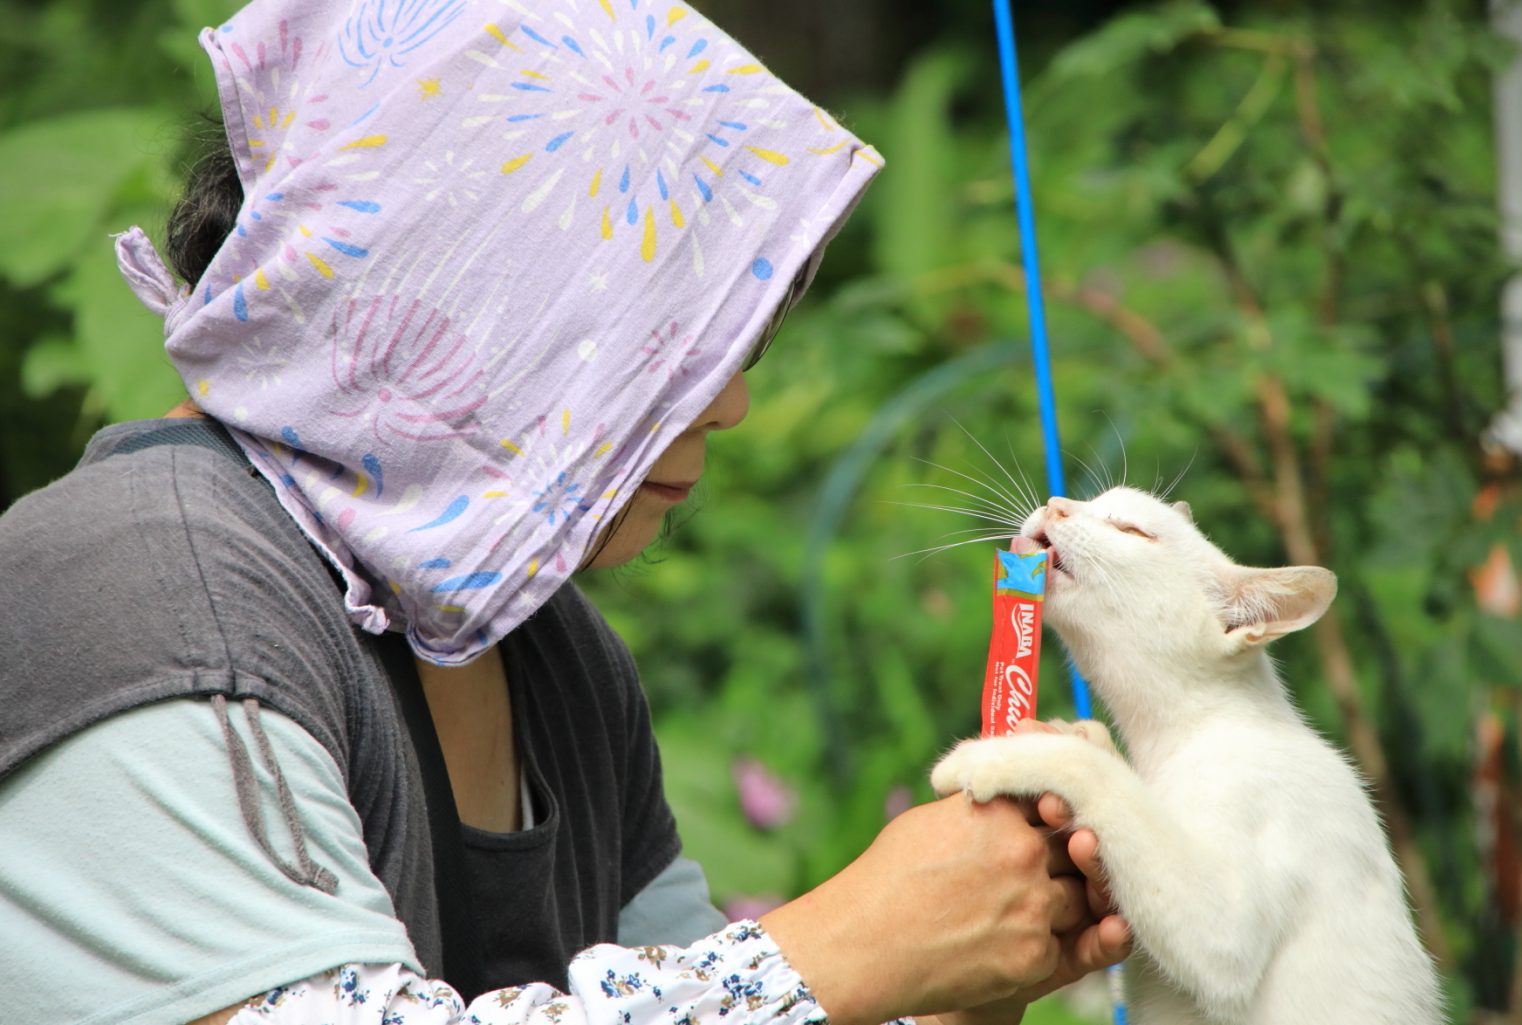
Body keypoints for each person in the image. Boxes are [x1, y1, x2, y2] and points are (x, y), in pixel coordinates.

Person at [0, 1, 1130, 1024]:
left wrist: (958, 980)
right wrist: (849, 946)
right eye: (666, 336)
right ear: (472, 291)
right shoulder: (152, 607)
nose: (730, 402)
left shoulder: (545, 651)